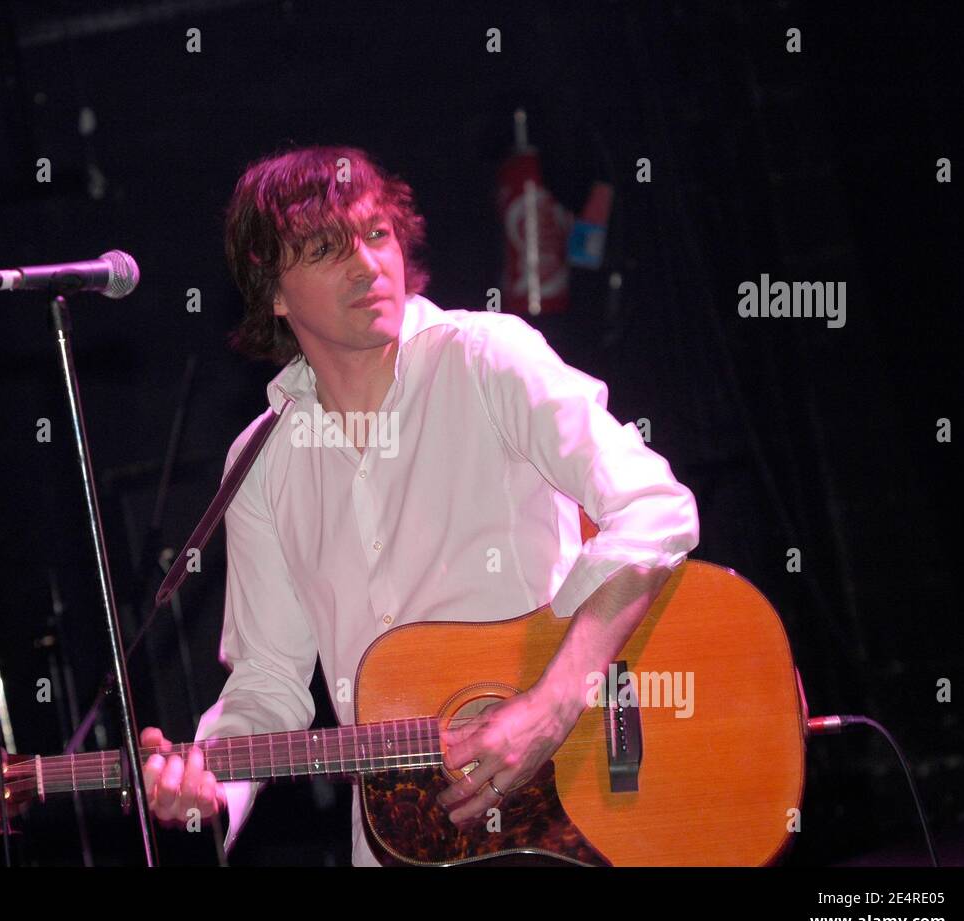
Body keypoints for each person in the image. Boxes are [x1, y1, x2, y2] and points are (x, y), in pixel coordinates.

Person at [140, 144, 700, 865]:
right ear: (272, 290)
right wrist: (214, 788)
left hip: (579, 803)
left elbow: (654, 509)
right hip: (405, 844)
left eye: (376, 235)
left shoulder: (485, 358)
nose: (367, 264)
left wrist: (553, 705)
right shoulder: (260, 463)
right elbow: (268, 685)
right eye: (324, 248)